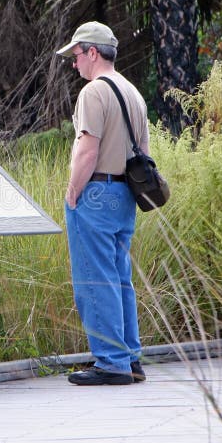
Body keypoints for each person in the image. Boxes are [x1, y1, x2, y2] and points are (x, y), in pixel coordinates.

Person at [55, 21, 149, 385]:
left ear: (92, 52)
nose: (74, 63)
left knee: (94, 279)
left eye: (76, 55)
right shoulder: (133, 93)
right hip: (126, 193)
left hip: (96, 192)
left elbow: (87, 149)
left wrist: (73, 192)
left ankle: (111, 362)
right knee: (119, 278)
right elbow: (145, 152)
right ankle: (130, 357)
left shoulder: (94, 93)